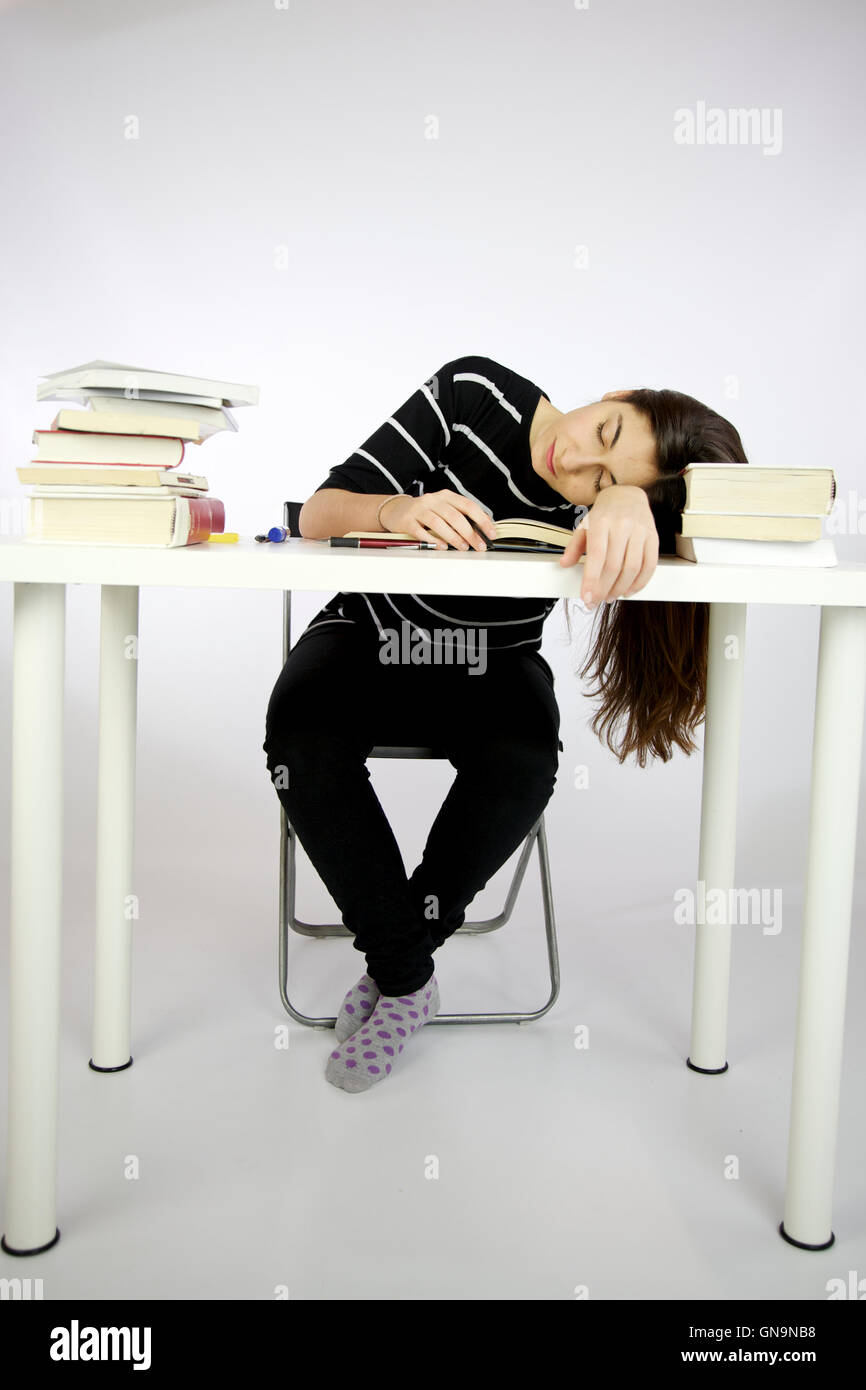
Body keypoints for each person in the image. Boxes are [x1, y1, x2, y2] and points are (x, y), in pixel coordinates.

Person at [262, 354, 747, 1093]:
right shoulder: (474, 394)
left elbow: (703, 525)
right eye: (606, 429)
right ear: (614, 394)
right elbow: (324, 509)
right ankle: (408, 974)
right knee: (302, 738)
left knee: (522, 760)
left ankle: (397, 969)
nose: (578, 459)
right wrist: (393, 510)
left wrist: (628, 507)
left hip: (493, 656)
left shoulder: (614, 507)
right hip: (369, 630)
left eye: (605, 479)